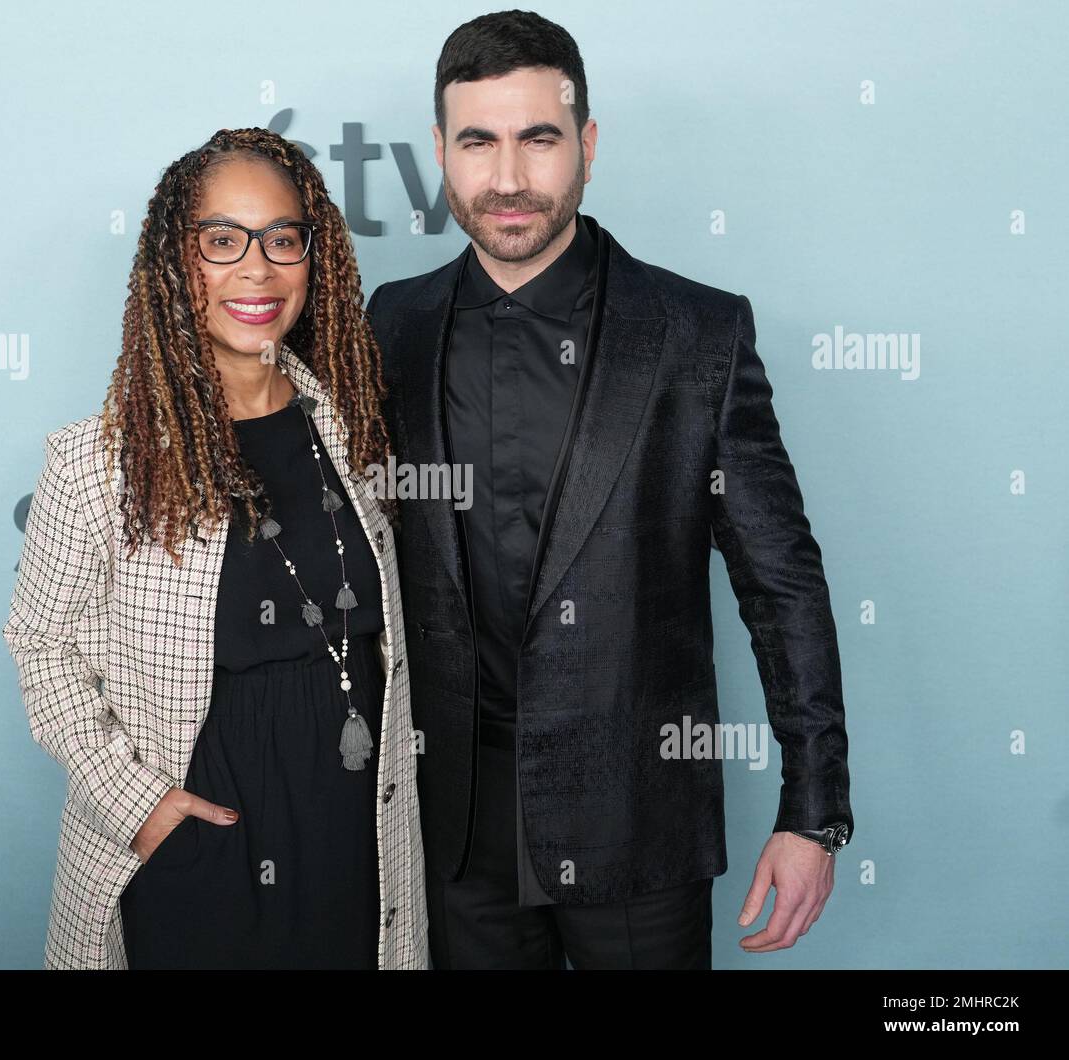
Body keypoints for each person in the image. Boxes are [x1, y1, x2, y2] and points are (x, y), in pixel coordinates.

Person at [365, 10, 853, 969]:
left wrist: (815, 814)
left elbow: (782, 584)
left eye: (538, 139)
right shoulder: (393, 324)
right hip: (452, 835)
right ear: (440, 153)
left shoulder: (695, 333)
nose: (508, 178)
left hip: (639, 828)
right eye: (479, 141)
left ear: (586, 145)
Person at [2, 128, 428, 970]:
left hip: (356, 832)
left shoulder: (354, 429)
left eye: (281, 239)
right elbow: (38, 648)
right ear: (176, 260)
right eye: (222, 240)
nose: (257, 270)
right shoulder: (96, 462)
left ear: (315, 255)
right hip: (200, 843)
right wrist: (144, 808)